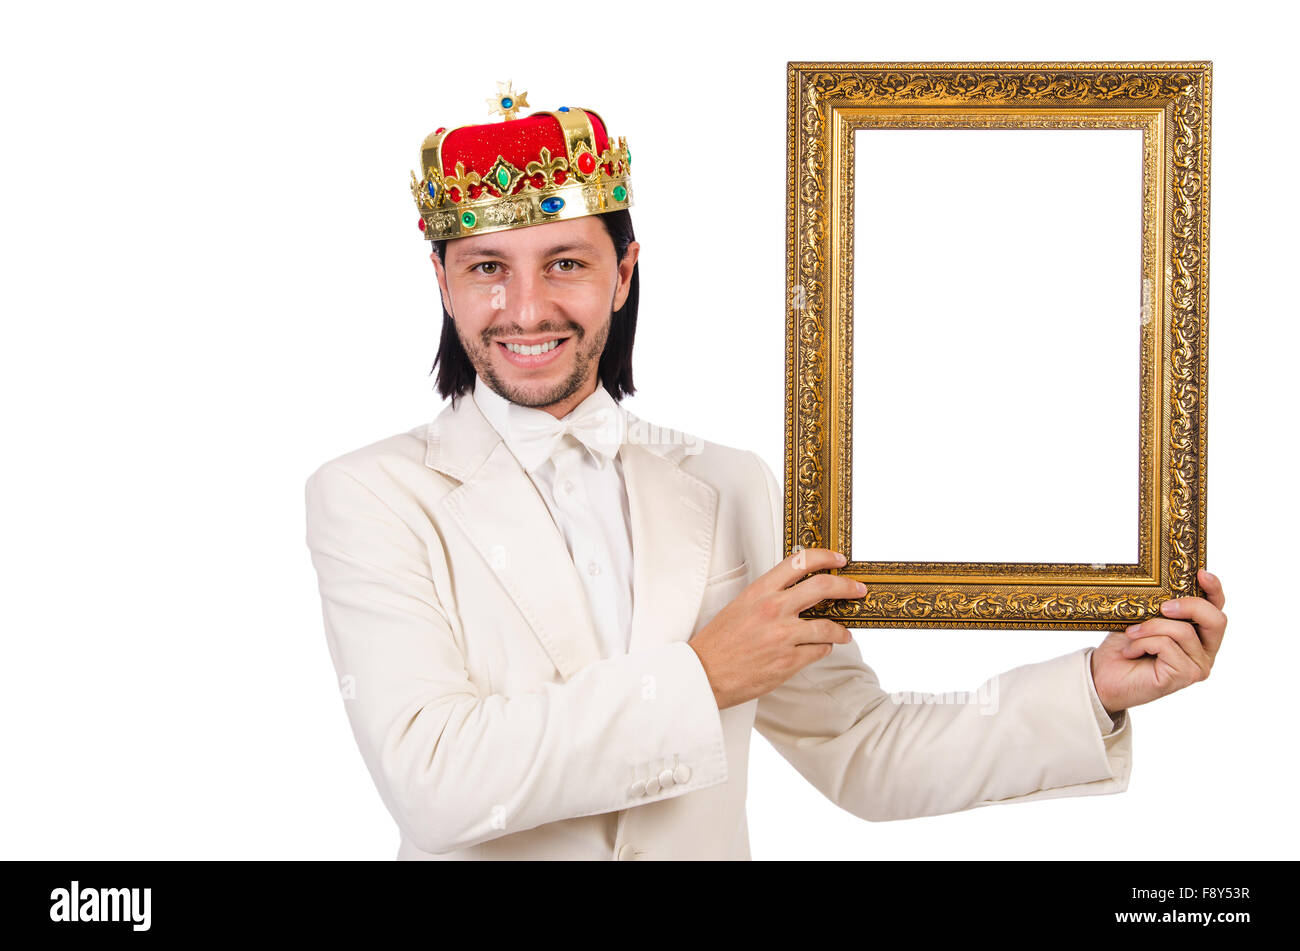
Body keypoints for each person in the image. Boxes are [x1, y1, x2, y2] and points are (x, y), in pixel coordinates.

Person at [303, 83, 1228, 860]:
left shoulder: (729, 483)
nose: (527, 306)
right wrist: (703, 674)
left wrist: (1093, 686)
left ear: (624, 274)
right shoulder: (372, 495)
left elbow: (859, 747)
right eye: (487, 268)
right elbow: (433, 781)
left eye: (567, 262)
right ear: (442, 282)